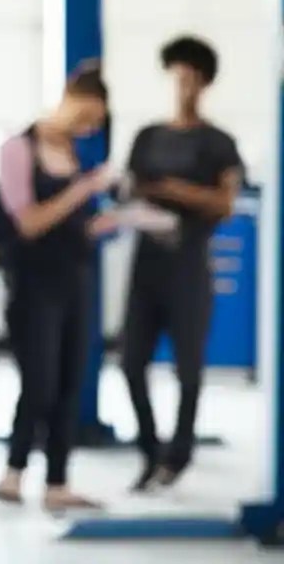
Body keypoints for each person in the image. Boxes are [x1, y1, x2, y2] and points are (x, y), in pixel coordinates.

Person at [0, 63, 116, 510]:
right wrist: (83, 190)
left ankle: (58, 483)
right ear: (71, 97)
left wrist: (115, 221)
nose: (89, 128)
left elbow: (73, 226)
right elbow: (30, 222)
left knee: (69, 382)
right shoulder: (17, 148)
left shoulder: (73, 153)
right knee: (38, 381)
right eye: (88, 116)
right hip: (33, 283)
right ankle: (13, 473)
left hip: (75, 280)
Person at [121, 35, 242, 491]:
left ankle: (180, 453)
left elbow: (224, 202)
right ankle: (150, 451)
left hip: (189, 264)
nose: (183, 87)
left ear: (204, 84)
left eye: (192, 80)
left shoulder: (218, 143)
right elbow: (131, 186)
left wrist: (172, 189)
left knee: (189, 368)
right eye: (178, 78)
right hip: (146, 263)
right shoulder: (148, 136)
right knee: (132, 363)